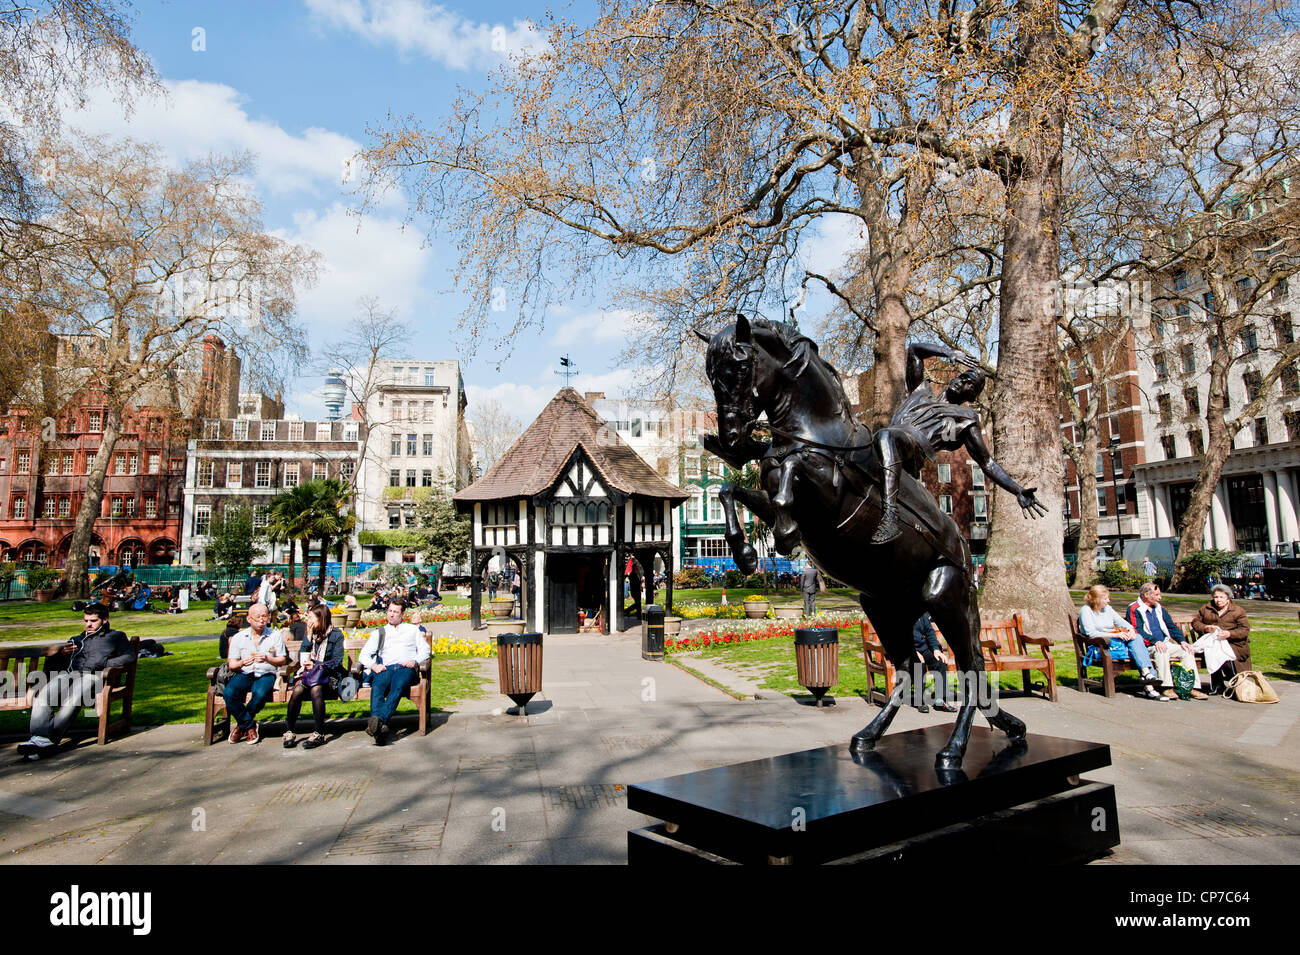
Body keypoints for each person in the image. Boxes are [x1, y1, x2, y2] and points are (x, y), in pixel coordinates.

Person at [869, 343, 1046, 543]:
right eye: (963, 376)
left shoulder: (965, 417)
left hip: (912, 451)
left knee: (885, 435)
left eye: (970, 383)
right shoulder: (920, 391)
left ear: (972, 395)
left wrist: (1017, 490)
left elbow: (986, 462)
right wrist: (948, 352)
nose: (962, 381)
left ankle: (890, 516)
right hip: (886, 445)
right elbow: (914, 351)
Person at [17, 603, 137, 758]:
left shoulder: (116, 637)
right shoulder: (77, 640)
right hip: (69, 676)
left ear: (105, 620)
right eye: (86, 620)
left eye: (93, 621)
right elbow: (50, 665)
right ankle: (39, 740)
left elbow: (129, 656)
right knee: (44, 694)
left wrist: (104, 665)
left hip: (94, 677)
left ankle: (47, 741)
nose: (88, 624)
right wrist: (62, 654)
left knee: (74, 697)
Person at [1078, 585, 1169, 701]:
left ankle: (1147, 675)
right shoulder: (1086, 610)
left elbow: (1123, 623)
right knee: (1138, 651)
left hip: (1116, 643)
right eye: (1106, 599)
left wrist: (1131, 630)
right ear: (1097, 599)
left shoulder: (1108, 609)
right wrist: (1115, 635)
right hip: (1100, 644)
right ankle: (1149, 688)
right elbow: (1091, 633)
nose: (1108, 601)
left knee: (1136, 638)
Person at [357, 598, 429, 745]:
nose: (391, 614)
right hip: (385, 668)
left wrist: (415, 660)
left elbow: (425, 650)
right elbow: (363, 655)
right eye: (389, 611)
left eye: (395, 612)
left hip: (405, 668)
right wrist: (373, 666)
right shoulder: (380, 632)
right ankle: (380, 729)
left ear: (402, 614)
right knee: (377, 686)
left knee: (398, 685)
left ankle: (378, 721)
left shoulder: (412, 630)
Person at [1126, 583, 1207, 700]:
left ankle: (1192, 687)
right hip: (1147, 646)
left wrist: (1182, 641)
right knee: (1161, 651)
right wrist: (1155, 641)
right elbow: (1137, 630)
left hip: (1164, 643)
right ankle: (1166, 687)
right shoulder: (1134, 608)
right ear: (1146, 595)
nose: (1160, 598)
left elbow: (1171, 626)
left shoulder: (1160, 608)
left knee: (1187, 651)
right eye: (1157, 595)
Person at [222, 602, 287, 744]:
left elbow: (282, 659)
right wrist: (241, 663)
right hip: (245, 672)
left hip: (266, 672)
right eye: (257, 617)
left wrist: (268, 658)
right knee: (229, 693)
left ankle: (241, 726)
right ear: (249, 619)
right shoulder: (239, 637)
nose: (262, 620)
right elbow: (232, 664)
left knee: (260, 694)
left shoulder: (274, 635)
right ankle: (250, 726)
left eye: (265, 616)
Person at [283, 605, 345, 750]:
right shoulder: (311, 633)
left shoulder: (336, 635)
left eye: (311, 617)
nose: (308, 620)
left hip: (329, 678)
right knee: (297, 690)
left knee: (316, 689)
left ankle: (319, 733)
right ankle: (289, 731)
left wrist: (317, 665)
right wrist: (308, 637)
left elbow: (337, 662)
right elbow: (301, 657)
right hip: (309, 676)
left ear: (321, 618)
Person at [1189, 584, 1251, 696]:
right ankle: (1220, 685)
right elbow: (1196, 622)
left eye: (1221, 597)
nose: (1218, 600)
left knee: (1222, 653)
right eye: (1216, 597)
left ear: (1228, 598)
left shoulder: (1238, 611)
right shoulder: (1206, 608)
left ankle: (1233, 684)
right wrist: (1206, 628)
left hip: (1234, 644)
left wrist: (1229, 634)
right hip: (1212, 643)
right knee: (1214, 649)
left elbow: (1244, 630)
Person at [911, 613, 958, 713]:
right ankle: (920, 701)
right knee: (919, 664)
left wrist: (936, 649)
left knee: (940, 662)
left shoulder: (922, 616)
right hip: (909, 651)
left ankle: (940, 701)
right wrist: (914, 652)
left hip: (924, 648)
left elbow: (930, 633)